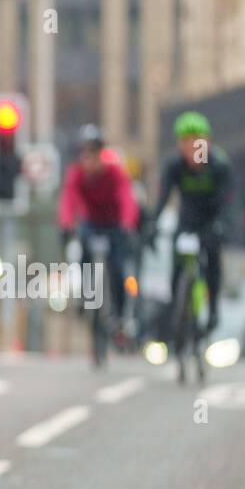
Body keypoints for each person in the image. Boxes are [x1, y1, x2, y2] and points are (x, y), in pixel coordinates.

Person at [143, 111, 234, 337]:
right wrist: (153, 223)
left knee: (213, 260)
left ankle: (212, 311)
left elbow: (229, 201)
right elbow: (163, 197)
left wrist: (223, 224)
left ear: (207, 142)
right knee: (177, 261)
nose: (192, 147)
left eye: (197, 141)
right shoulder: (174, 165)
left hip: (212, 219)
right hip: (187, 220)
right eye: (186, 141)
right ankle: (177, 308)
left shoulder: (218, 164)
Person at [57, 124, 139, 340]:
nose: (90, 160)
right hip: (91, 223)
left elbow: (126, 199)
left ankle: (120, 314)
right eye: (86, 154)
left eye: (94, 154)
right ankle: (86, 296)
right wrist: (66, 225)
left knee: (118, 267)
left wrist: (127, 225)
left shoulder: (115, 173)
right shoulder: (76, 175)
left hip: (114, 225)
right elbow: (68, 201)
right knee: (83, 257)